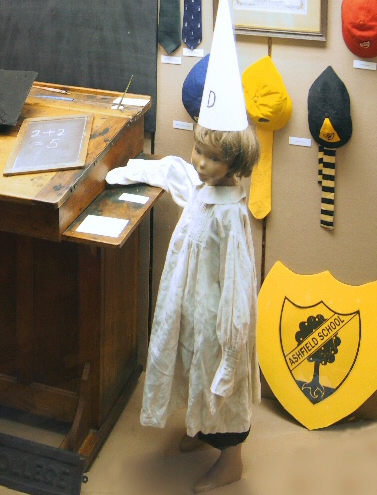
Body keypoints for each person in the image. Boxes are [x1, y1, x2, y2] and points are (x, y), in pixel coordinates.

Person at [106, 123, 260, 492]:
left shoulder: (229, 215)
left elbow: (237, 285)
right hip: (190, 308)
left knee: (219, 381)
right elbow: (171, 170)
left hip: (216, 317)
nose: (202, 163)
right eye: (200, 151)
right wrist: (121, 173)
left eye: (214, 158)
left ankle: (231, 458)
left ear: (234, 163)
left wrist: (231, 342)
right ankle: (204, 429)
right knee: (194, 370)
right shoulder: (199, 189)